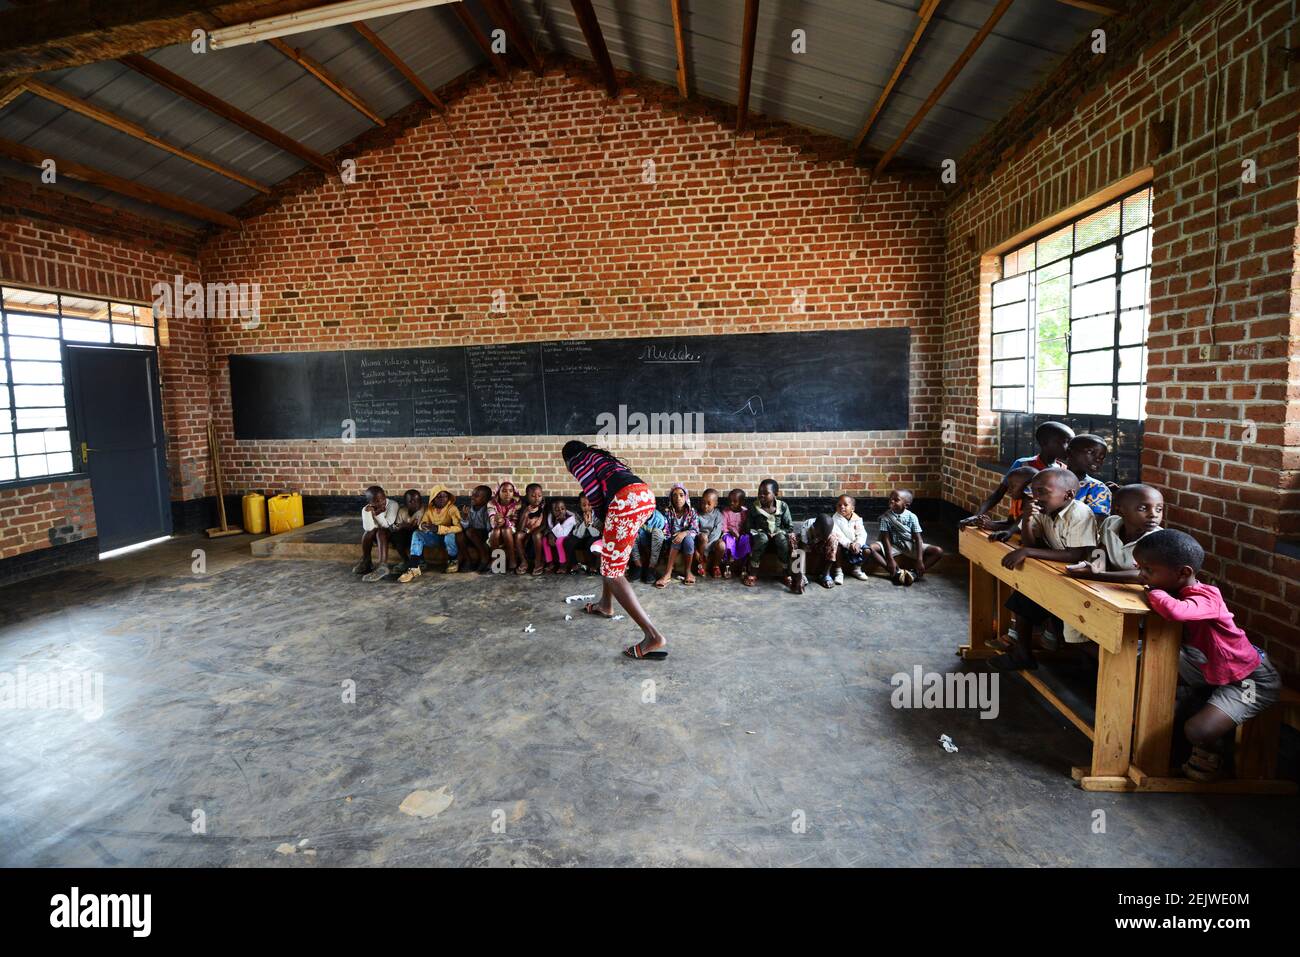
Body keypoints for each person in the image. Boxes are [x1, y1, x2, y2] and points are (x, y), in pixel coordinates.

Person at [1135, 529, 1282, 781]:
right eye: (1140, 568)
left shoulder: (1207, 596)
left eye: (1148, 570)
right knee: (1147, 665)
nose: (1141, 575)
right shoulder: (1174, 588)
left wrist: (1152, 591)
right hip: (1209, 668)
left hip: (1250, 681)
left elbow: (1176, 612)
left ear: (1184, 573)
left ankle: (1215, 756)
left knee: (1197, 731)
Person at [561, 441, 668, 660]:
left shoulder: (578, 461)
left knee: (613, 572)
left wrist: (601, 522)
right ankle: (605, 604)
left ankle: (652, 636)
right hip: (645, 497)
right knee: (608, 555)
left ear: (567, 460)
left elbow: (594, 496)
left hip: (625, 502)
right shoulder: (602, 459)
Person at [988, 469, 1097, 671]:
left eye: (1042, 492)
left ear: (1069, 495)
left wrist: (1027, 551)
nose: (1035, 497)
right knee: (1023, 598)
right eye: (1033, 491)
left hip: (1083, 580)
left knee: (1075, 633)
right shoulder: (1042, 510)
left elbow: (1076, 555)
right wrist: (1027, 521)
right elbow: (1032, 542)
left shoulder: (1079, 513)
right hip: (1057, 573)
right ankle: (1023, 654)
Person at [960, 421, 1073, 526]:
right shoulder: (1023, 464)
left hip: (1043, 528)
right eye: (1066, 442)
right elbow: (998, 493)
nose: (1070, 448)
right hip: (1015, 524)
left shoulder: (1064, 472)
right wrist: (977, 515)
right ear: (1044, 443)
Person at [1065, 484, 1164, 584]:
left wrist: (1097, 575)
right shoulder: (1110, 523)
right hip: (1112, 583)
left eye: (1159, 509)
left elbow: (1144, 576)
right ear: (1119, 511)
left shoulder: (1159, 539)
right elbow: (1101, 551)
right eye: (1143, 508)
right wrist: (1095, 567)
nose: (1153, 515)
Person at [867, 489, 943, 584]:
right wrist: (890, 560)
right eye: (890, 499)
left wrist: (920, 560)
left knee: (938, 551)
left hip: (910, 545)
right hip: (893, 545)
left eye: (896, 500)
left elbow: (918, 539)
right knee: (871, 548)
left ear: (906, 505)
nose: (892, 501)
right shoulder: (885, 517)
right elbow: (885, 539)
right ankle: (895, 573)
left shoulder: (912, 517)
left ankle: (914, 573)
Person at [745, 479, 801, 593]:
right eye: (759, 492)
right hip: (761, 536)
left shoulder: (783, 506)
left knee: (781, 539)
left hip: (778, 535)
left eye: (765, 493)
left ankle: (786, 572)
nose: (761, 495)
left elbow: (789, 527)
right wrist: (760, 532)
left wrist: (778, 532)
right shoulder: (754, 507)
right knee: (762, 538)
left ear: (776, 494)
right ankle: (753, 571)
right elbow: (749, 527)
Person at [398, 484, 462, 581]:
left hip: (449, 540)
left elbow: (459, 527)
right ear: (433, 498)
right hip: (435, 539)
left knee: (450, 535)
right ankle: (414, 567)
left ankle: (453, 560)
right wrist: (422, 526)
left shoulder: (452, 509)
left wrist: (438, 528)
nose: (442, 499)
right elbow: (422, 523)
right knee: (417, 533)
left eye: (445, 496)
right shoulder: (429, 509)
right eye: (438, 496)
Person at [657, 482, 700, 587]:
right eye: (674, 495)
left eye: (681, 495)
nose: (678, 498)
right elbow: (665, 530)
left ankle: (688, 571)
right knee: (676, 539)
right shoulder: (668, 512)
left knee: (688, 539)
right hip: (672, 542)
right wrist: (675, 536)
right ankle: (668, 573)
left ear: (686, 497)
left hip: (687, 542)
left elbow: (695, 530)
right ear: (671, 498)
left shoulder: (692, 512)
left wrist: (684, 533)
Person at [975, 465, 1037, 534]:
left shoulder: (1034, 506)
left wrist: (992, 525)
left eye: (1012, 486)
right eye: (1009, 486)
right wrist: (986, 522)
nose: (1008, 490)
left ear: (1027, 489)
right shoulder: (1017, 501)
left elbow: (1019, 528)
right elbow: (1011, 523)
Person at [355, 485, 399, 582]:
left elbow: (388, 524)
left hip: (392, 533)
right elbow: (369, 528)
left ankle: (382, 566)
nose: (381, 502)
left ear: (385, 495)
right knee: (369, 532)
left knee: (380, 531)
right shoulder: (366, 509)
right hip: (375, 535)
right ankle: (366, 561)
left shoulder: (393, 504)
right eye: (376, 501)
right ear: (370, 502)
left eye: (382, 498)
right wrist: (368, 513)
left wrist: (377, 514)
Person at [824, 494, 869, 586]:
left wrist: (858, 544)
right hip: (844, 544)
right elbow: (838, 535)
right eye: (839, 505)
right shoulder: (834, 519)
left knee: (867, 551)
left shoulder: (857, 519)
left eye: (845, 505)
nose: (842, 507)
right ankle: (838, 571)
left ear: (852, 508)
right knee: (837, 548)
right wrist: (849, 545)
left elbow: (862, 533)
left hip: (855, 545)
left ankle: (856, 569)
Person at [1064, 433, 1113, 517]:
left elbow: (1096, 524)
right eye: (1091, 452)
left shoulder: (1097, 488)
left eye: (1102, 457)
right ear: (1069, 452)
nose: (1098, 459)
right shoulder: (1048, 480)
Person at [693, 488, 726, 578]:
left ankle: (715, 566)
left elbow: (716, 533)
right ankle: (702, 564)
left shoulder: (718, 515)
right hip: (700, 541)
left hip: (712, 541)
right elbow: (694, 530)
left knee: (722, 545)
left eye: (709, 503)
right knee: (703, 537)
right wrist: (696, 550)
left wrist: (706, 551)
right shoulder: (696, 513)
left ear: (715, 504)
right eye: (703, 502)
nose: (705, 506)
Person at [516, 483, 547, 576]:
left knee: (536, 535)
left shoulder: (544, 507)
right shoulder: (524, 507)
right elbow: (520, 528)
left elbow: (545, 524)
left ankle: (538, 561)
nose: (537, 498)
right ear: (527, 496)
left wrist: (535, 531)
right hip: (526, 530)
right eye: (533, 496)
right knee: (518, 535)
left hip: (539, 531)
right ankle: (523, 561)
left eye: (539, 495)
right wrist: (525, 513)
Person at [489, 481, 520, 573]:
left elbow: (515, 522)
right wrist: (497, 521)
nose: (508, 494)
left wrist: (505, 521)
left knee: (506, 530)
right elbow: (492, 519)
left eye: (510, 491)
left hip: (511, 530)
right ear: (498, 492)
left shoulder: (517, 505)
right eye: (504, 491)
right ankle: (496, 559)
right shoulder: (492, 504)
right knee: (496, 531)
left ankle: (512, 560)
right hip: (495, 529)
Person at [719, 488, 751, 580]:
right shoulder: (726, 512)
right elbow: (724, 527)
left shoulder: (745, 511)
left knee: (746, 539)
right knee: (729, 540)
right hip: (729, 534)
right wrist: (732, 532)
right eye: (730, 501)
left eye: (735, 501)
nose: (731, 503)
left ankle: (744, 566)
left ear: (742, 502)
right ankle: (728, 565)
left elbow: (747, 525)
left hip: (741, 534)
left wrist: (741, 534)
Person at [462, 485, 494, 573]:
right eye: (472, 494)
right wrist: (464, 517)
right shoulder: (469, 509)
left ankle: (484, 556)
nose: (472, 497)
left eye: (476, 496)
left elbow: (489, 528)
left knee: (469, 531)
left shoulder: (487, 510)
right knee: (461, 534)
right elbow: (465, 526)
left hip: (484, 534)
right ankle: (467, 561)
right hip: (472, 533)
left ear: (485, 500)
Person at [542, 498, 577, 573]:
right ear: (552, 511)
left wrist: (557, 523)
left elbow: (562, 534)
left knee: (559, 541)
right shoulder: (550, 516)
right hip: (557, 533)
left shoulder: (570, 519)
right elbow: (549, 528)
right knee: (545, 540)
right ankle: (550, 562)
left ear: (565, 509)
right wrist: (550, 534)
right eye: (556, 510)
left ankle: (563, 564)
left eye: (562, 509)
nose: (560, 511)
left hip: (569, 536)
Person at [569, 494, 603, 574]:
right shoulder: (577, 515)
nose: (587, 508)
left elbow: (596, 534)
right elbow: (578, 535)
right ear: (580, 506)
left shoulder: (597, 514)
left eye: (589, 505)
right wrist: (584, 523)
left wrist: (590, 523)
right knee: (569, 542)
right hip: (581, 536)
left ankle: (592, 566)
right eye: (584, 505)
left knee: (590, 542)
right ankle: (574, 565)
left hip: (594, 537)